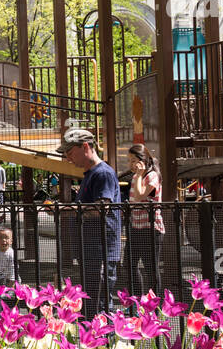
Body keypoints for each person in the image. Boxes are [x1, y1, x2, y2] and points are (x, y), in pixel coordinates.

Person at [58, 128, 122, 317]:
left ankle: (106, 344)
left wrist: (67, 209)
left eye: (70, 153)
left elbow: (101, 209)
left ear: (85, 146)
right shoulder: (90, 174)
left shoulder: (103, 174)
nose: (69, 158)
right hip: (91, 249)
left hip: (102, 250)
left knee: (100, 306)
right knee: (91, 303)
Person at [126, 144, 164, 296]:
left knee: (150, 267)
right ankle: (136, 300)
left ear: (143, 160)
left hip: (150, 227)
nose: (131, 164)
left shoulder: (152, 176)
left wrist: (140, 175)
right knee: (129, 265)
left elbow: (141, 196)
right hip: (135, 226)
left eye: (133, 160)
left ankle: (154, 305)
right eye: (129, 161)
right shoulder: (136, 177)